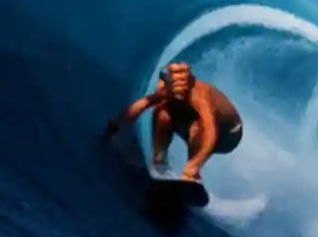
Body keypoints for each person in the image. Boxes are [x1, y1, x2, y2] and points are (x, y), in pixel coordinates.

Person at [103, 62, 243, 181]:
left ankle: (192, 175)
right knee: (163, 113)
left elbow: (210, 132)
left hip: (229, 135)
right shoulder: (168, 89)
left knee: (197, 127)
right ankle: (160, 162)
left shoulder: (200, 96)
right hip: (201, 127)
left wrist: (193, 166)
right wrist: (117, 124)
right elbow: (143, 103)